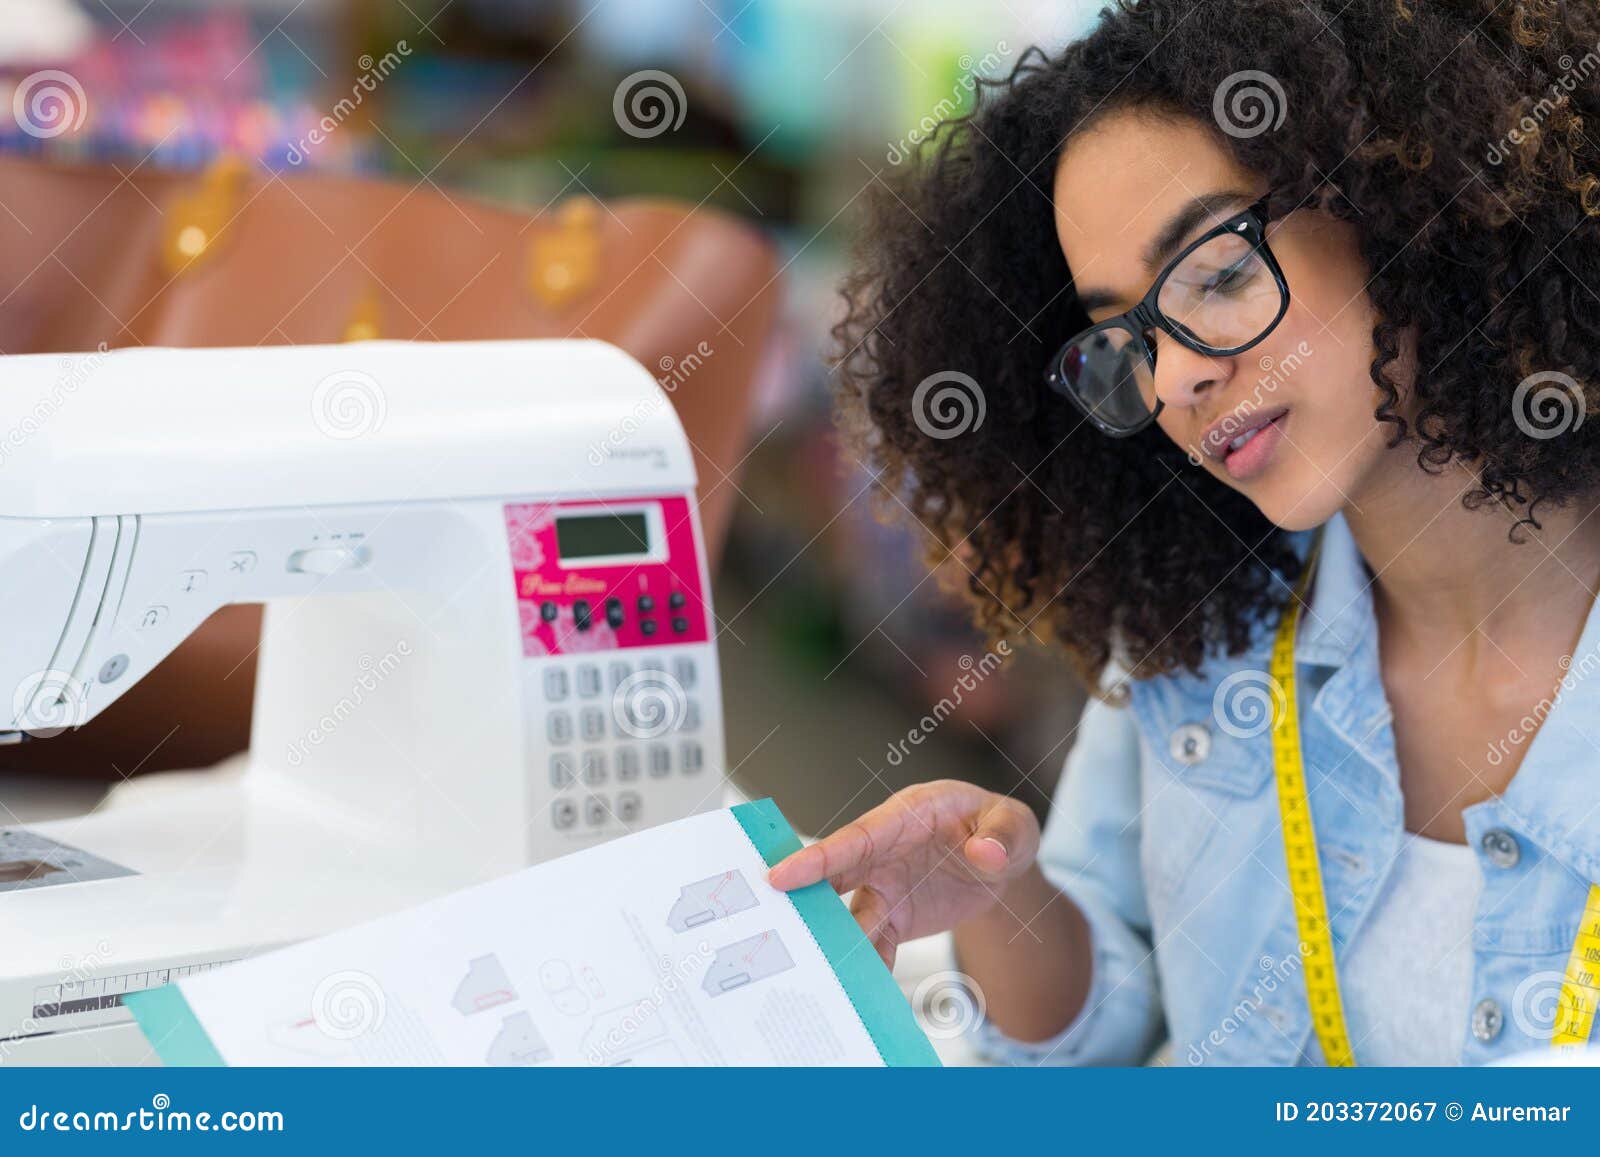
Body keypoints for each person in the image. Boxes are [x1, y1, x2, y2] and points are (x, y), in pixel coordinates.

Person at [770, 0, 1600, 1065]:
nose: (1178, 376)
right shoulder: (1206, 619)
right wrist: (1002, 890)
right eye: (1122, 335)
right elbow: (1116, 1027)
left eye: (1215, 273)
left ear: (1416, 208)